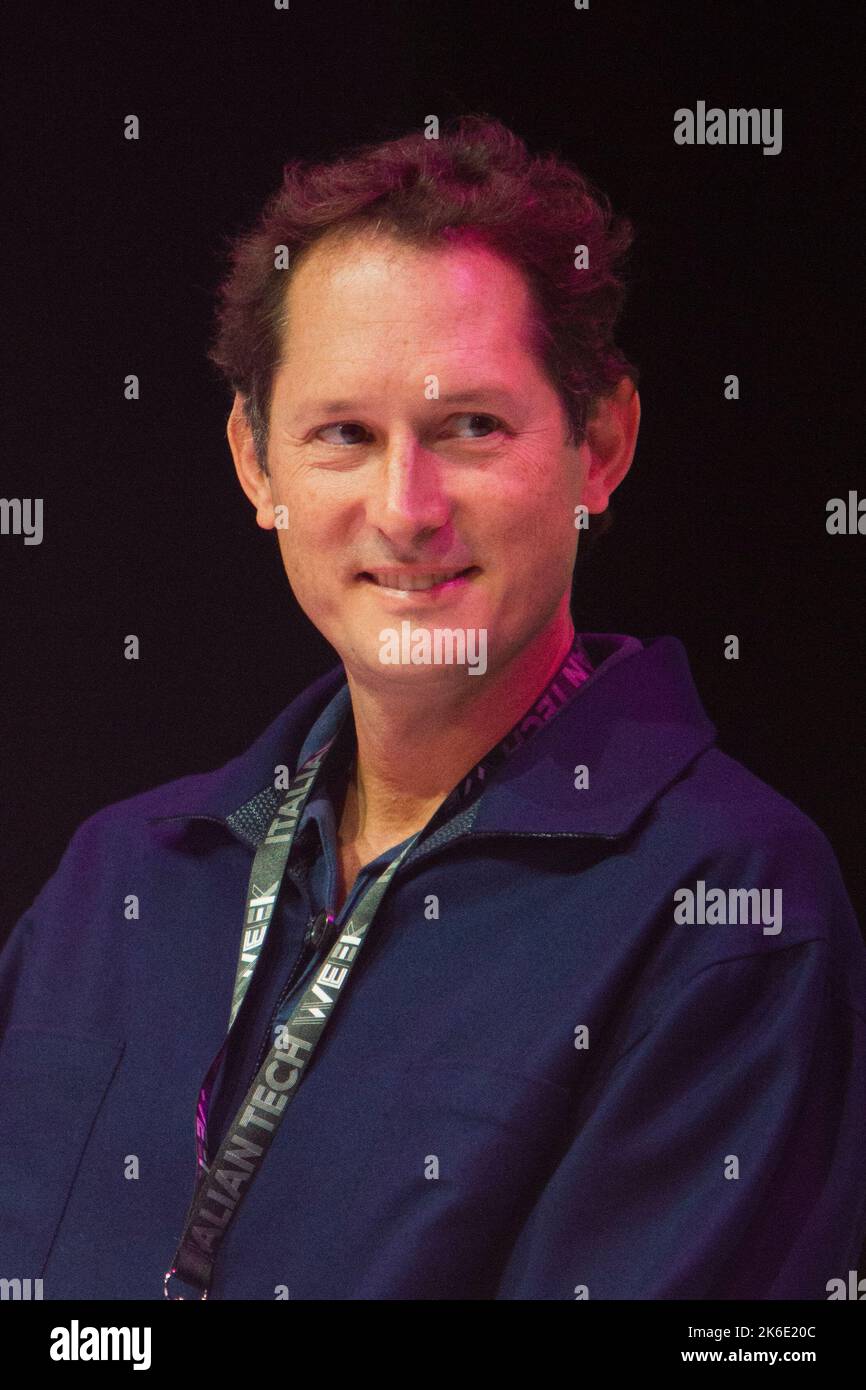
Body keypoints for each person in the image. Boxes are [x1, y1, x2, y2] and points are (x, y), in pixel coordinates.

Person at [1, 115, 864, 1302]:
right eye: (343, 435)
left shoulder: (728, 911)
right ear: (257, 465)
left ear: (599, 444)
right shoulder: (114, 882)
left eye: (470, 427)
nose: (405, 509)